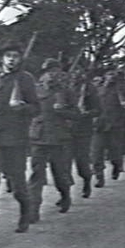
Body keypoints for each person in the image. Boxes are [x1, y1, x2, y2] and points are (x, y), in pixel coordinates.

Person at [0, 39, 39, 245]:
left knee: (17, 181)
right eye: (8, 56)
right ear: (2, 59)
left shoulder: (26, 79)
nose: (12, 60)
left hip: (15, 138)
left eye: (15, 56)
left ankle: (25, 213)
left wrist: (23, 107)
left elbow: (36, 108)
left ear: (20, 59)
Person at [28, 58, 79, 223]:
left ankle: (65, 196)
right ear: (42, 74)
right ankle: (33, 209)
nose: (52, 75)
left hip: (59, 138)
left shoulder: (66, 92)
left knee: (60, 173)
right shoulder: (33, 90)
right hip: (39, 138)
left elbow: (76, 114)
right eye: (49, 72)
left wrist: (63, 111)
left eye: (55, 72)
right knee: (37, 176)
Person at [69, 63, 101, 198]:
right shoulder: (64, 87)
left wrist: (86, 114)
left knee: (82, 161)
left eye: (79, 72)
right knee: (63, 165)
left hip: (82, 130)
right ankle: (65, 194)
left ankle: (86, 181)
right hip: (65, 130)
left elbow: (98, 110)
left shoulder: (90, 89)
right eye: (73, 72)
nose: (76, 75)